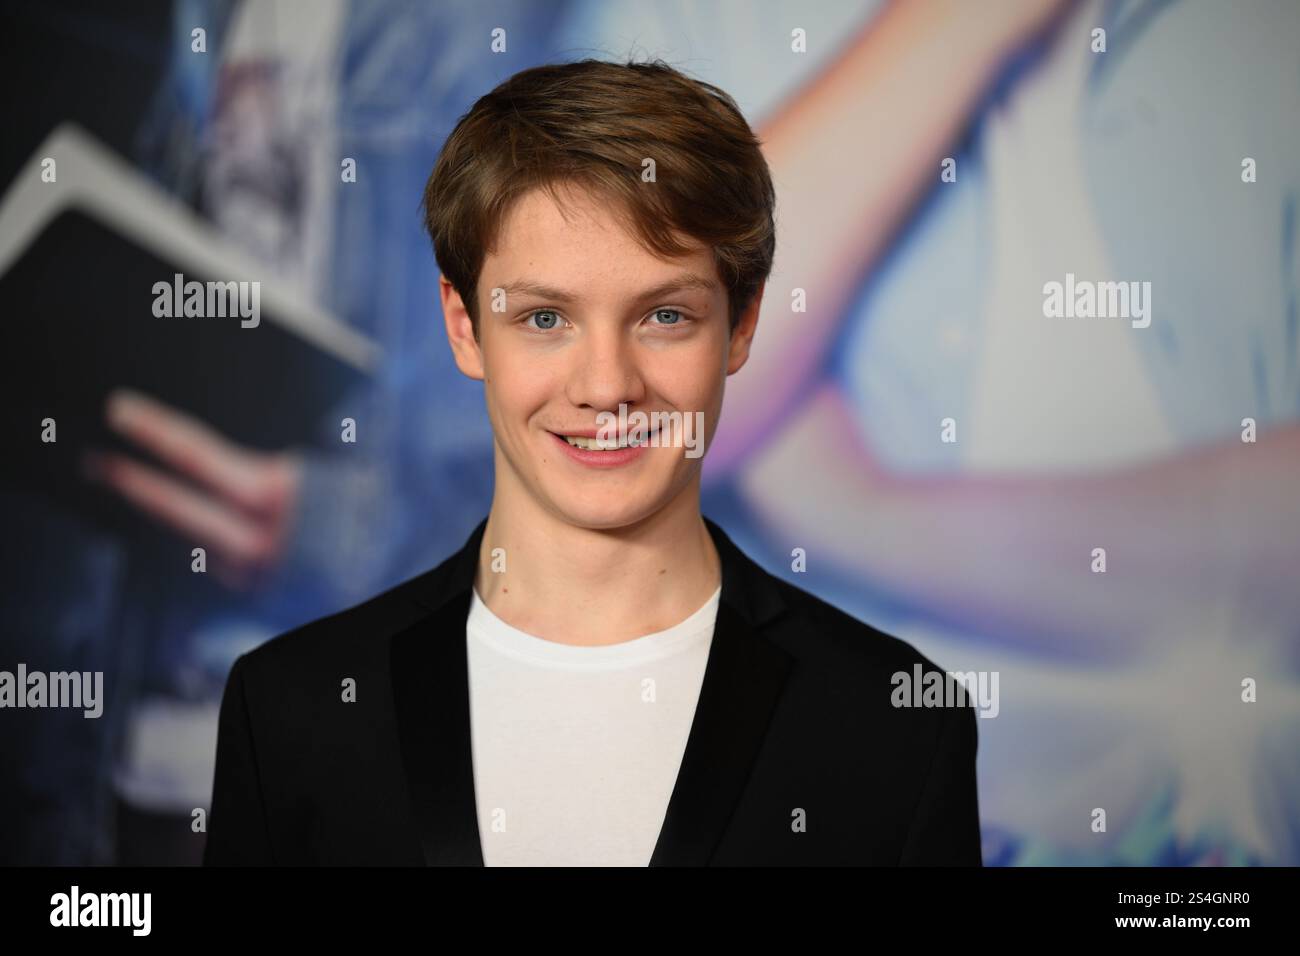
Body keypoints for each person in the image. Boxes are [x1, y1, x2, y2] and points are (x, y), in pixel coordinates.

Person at [202, 57, 981, 866]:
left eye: (666, 315)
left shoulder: (896, 722)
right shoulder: (291, 710)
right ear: (465, 328)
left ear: (742, 326)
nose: (607, 385)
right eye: (545, 318)